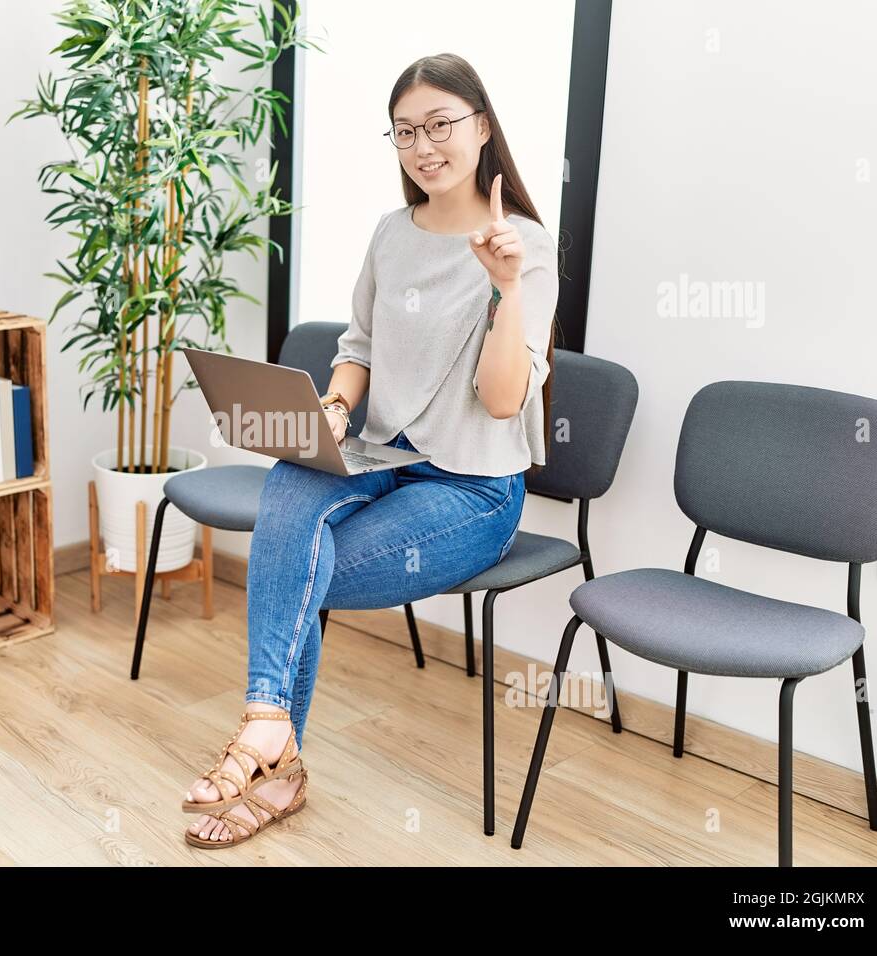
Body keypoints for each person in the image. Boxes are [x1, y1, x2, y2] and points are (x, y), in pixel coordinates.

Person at [183, 52, 560, 848]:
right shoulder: (392, 234)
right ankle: (268, 728)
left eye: (441, 125)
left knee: (294, 571)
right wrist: (333, 404)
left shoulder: (524, 246)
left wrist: (507, 289)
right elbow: (357, 346)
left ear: (482, 127)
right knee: (293, 471)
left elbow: (502, 400)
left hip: (471, 490)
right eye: (406, 132)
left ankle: (274, 764)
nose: (424, 146)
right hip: (382, 457)